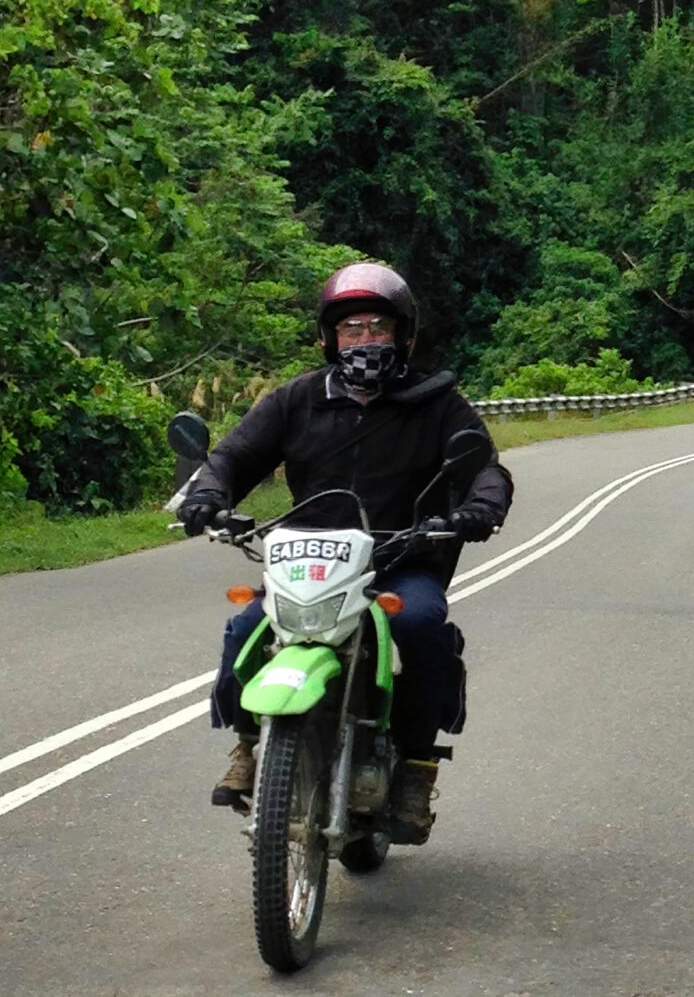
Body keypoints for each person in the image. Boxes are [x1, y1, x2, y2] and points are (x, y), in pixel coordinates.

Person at [175, 262, 512, 844]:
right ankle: (252, 745)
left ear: (402, 334)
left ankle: (415, 769)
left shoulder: (436, 404)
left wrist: (478, 508)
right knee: (245, 628)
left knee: (423, 628)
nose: (364, 340)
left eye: (377, 327)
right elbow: (234, 457)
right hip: (308, 562)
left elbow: (485, 468)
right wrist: (207, 493)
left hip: (400, 559)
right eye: (351, 328)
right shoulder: (297, 400)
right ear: (329, 337)